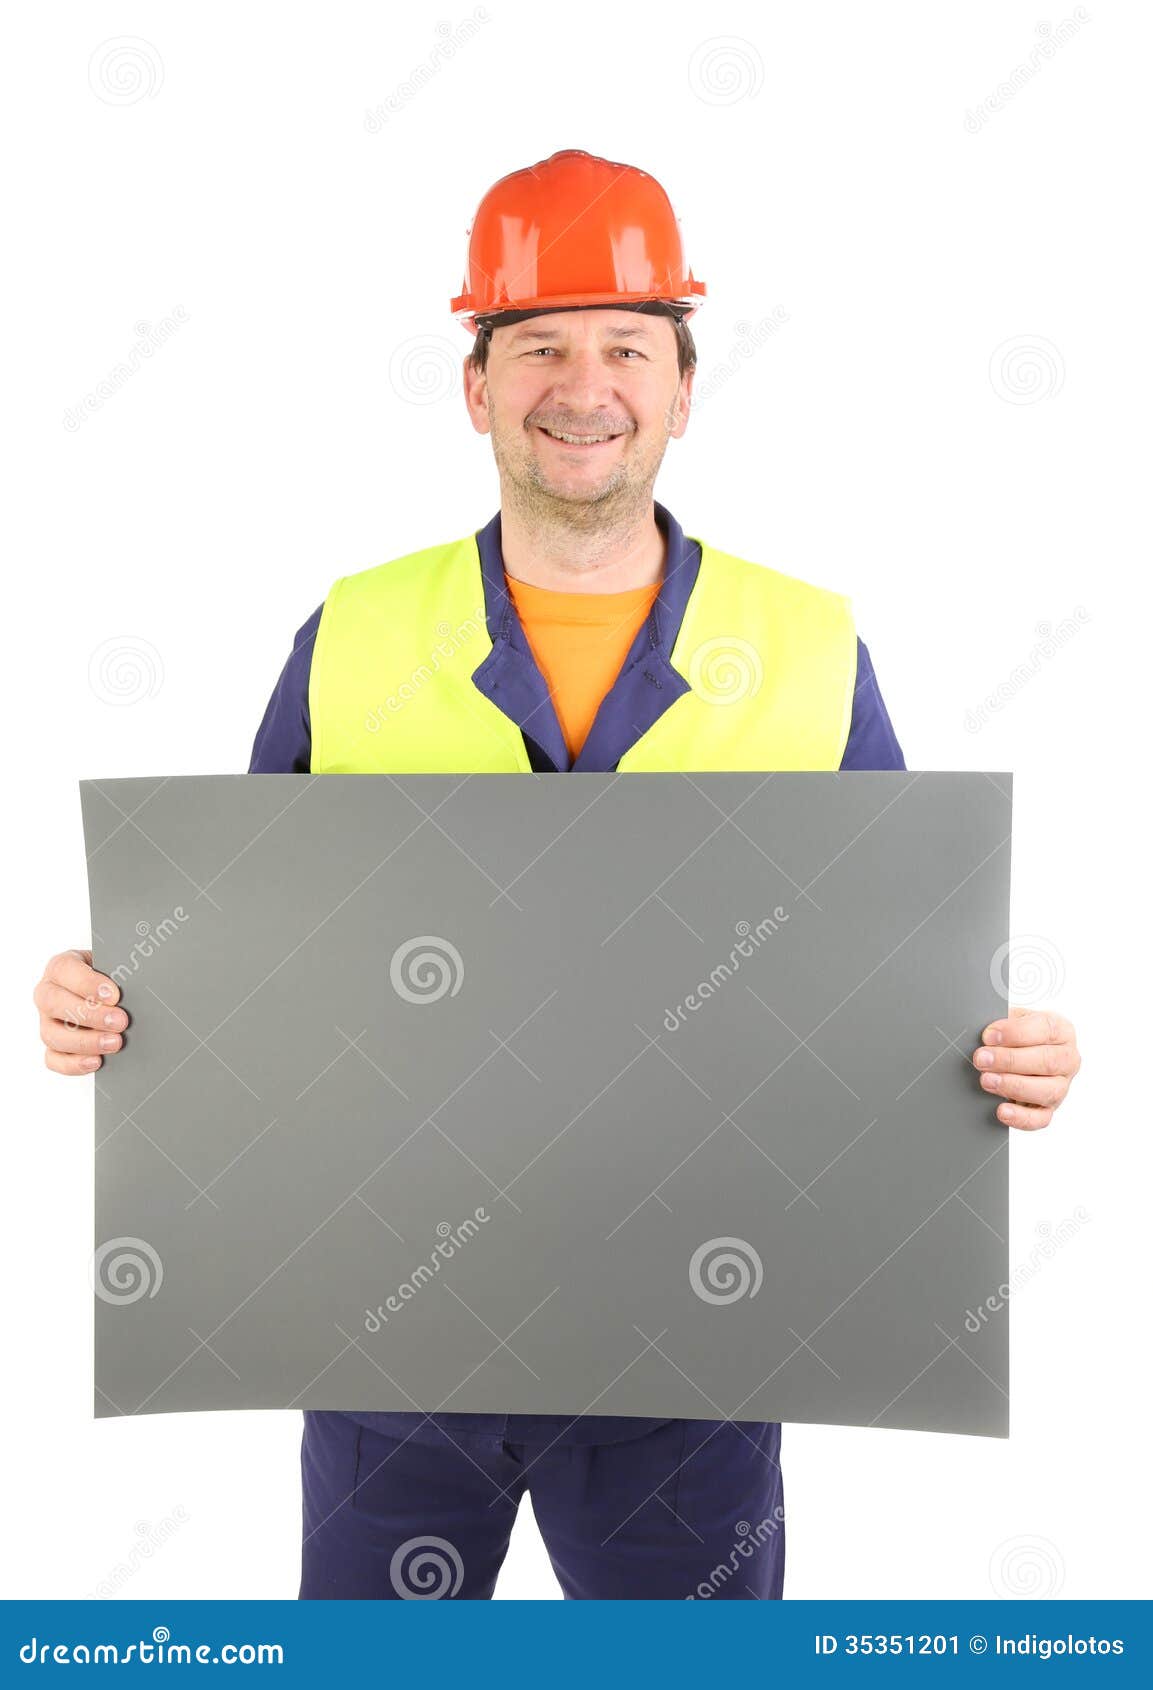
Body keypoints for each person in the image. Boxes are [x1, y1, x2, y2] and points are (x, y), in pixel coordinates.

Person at [34, 149, 1082, 1601]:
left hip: (692, 1374)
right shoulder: (352, 633)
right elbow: (231, 949)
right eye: (536, 343)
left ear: (681, 386)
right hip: (386, 1350)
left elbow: (889, 972)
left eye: (623, 346)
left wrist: (1005, 1055)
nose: (580, 383)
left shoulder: (805, 648)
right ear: (474, 385)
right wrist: (101, 996)